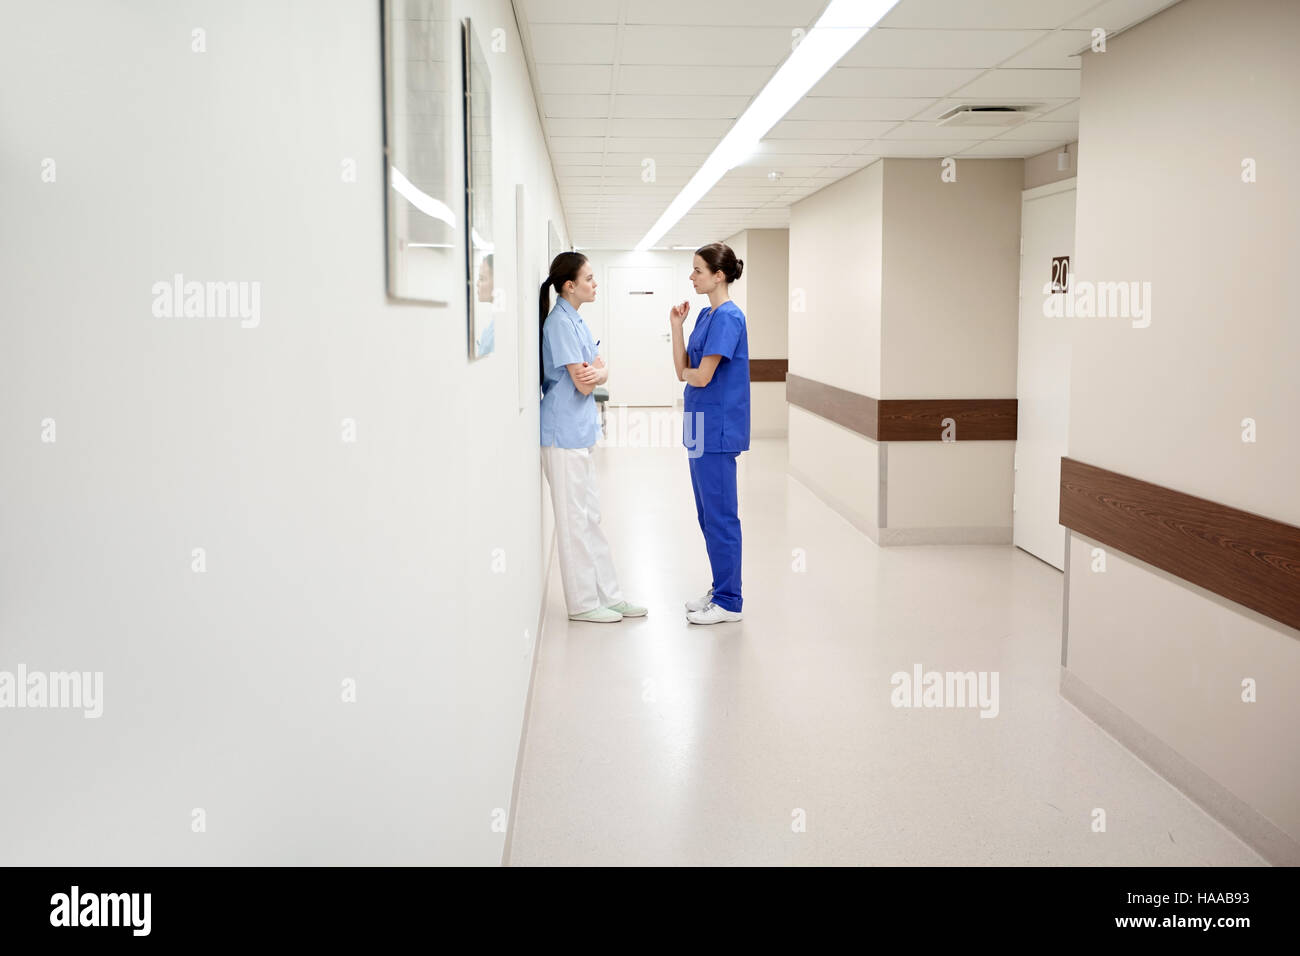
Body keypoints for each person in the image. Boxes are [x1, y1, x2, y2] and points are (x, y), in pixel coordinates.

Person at [540, 252, 646, 623]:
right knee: (573, 521)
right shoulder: (558, 324)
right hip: (562, 433)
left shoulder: (576, 322)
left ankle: (609, 595)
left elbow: (599, 370)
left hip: (579, 431)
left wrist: (598, 373)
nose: (595, 283)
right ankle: (582, 603)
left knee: (591, 517)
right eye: (589, 278)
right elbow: (587, 384)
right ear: (570, 285)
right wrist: (598, 374)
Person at [669, 242, 749, 625]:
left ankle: (730, 602)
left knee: (721, 517)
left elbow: (701, 375)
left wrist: (690, 375)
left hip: (717, 429)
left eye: (698, 270)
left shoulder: (730, 318)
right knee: (706, 516)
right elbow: (682, 368)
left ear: (719, 275)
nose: (692, 277)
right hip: (698, 427)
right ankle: (720, 588)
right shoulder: (704, 315)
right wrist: (675, 327)